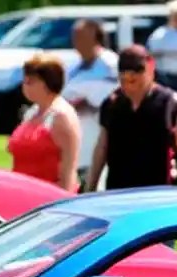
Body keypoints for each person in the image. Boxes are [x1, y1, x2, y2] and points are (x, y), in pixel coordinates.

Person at [85, 45, 177, 192]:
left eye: (135, 80)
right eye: (124, 80)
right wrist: (91, 187)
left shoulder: (170, 102)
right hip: (118, 189)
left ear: (150, 70)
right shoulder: (112, 104)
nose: (130, 86)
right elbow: (102, 147)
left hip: (159, 190)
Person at [8, 53, 80, 192]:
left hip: (47, 196)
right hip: (23, 192)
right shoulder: (32, 113)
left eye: (31, 82)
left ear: (48, 83)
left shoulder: (61, 116)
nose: (25, 86)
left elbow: (68, 170)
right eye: (25, 81)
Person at [64, 19, 117, 189]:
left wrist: (89, 103)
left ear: (96, 37)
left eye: (81, 36)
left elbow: (116, 97)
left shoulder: (110, 65)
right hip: (74, 136)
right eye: (74, 36)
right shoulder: (72, 67)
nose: (76, 40)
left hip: (98, 136)